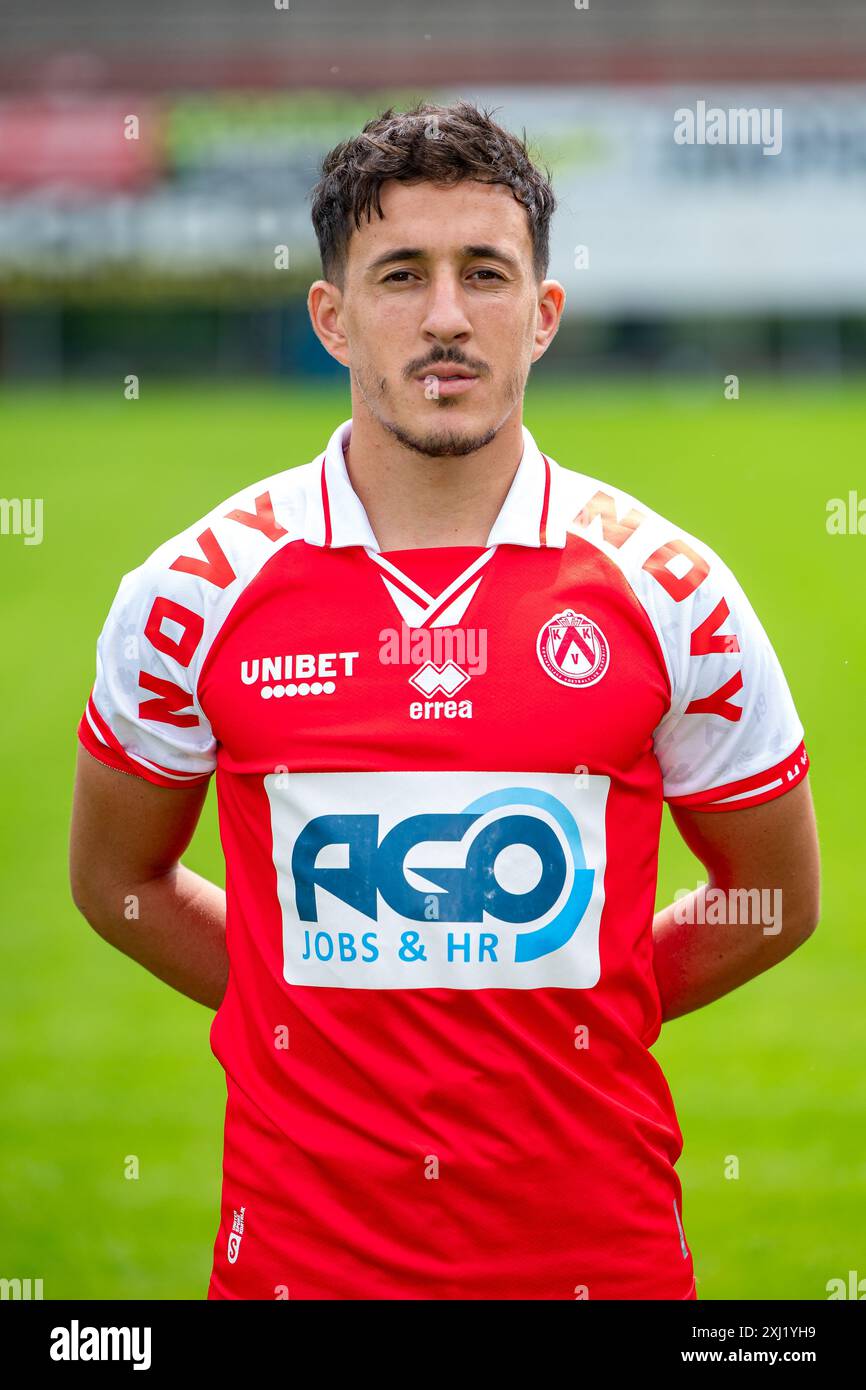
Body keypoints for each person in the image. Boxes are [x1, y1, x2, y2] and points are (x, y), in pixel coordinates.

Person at [69, 100, 820, 1300]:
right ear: (332, 317)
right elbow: (118, 882)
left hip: (598, 1256)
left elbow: (774, 896)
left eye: (484, 273)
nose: (445, 318)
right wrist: (319, 1016)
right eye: (399, 276)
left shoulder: (673, 593)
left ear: (543, 314)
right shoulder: (189, 595)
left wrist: (562, 1011)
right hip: (300, 1267)